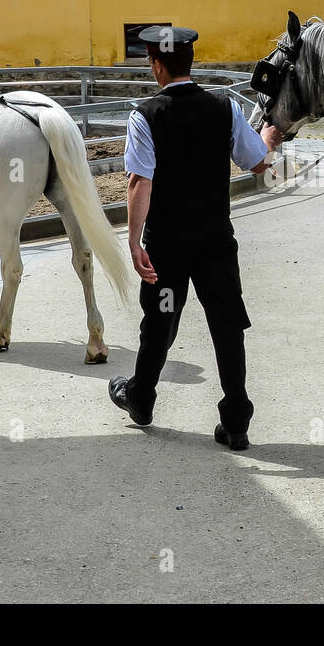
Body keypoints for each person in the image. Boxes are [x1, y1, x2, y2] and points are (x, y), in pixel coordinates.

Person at [108, 26, 283, 450]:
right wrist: (273, 132)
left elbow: (139, 182)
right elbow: (259, 164)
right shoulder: (225, 108)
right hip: (215, 242)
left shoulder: (144, 115)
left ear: (156, 65)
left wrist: (134, 242)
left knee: (161, 318)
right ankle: (236, 420)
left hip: (168, 245)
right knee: (226, 325)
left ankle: (142, 399)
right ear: (190, 61)